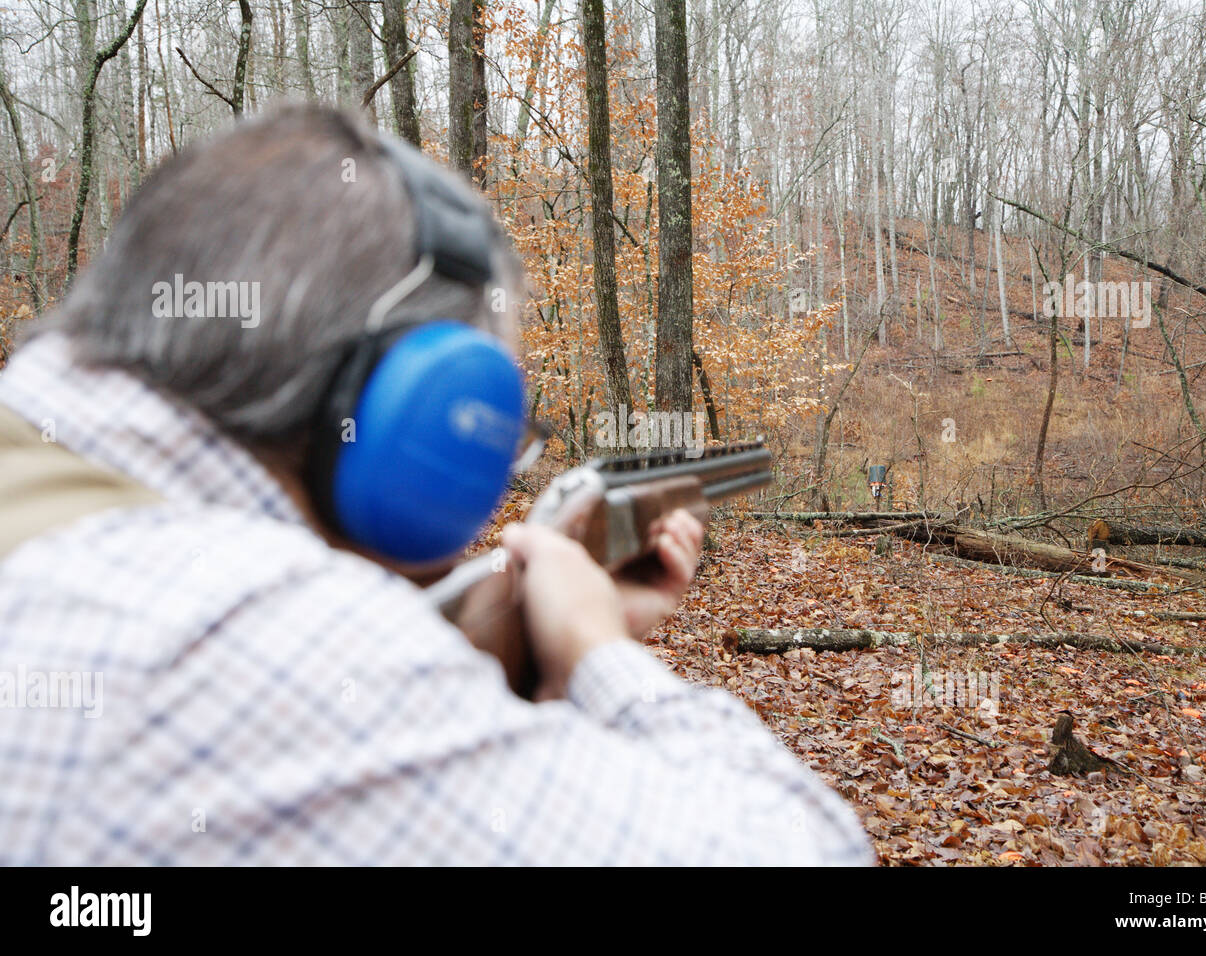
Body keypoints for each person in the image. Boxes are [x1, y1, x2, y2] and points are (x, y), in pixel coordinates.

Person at [0, 106, 873, 865]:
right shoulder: (231, 640)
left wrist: (497, 637)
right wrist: (597, 652)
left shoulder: (59, 513)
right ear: (415, 412)